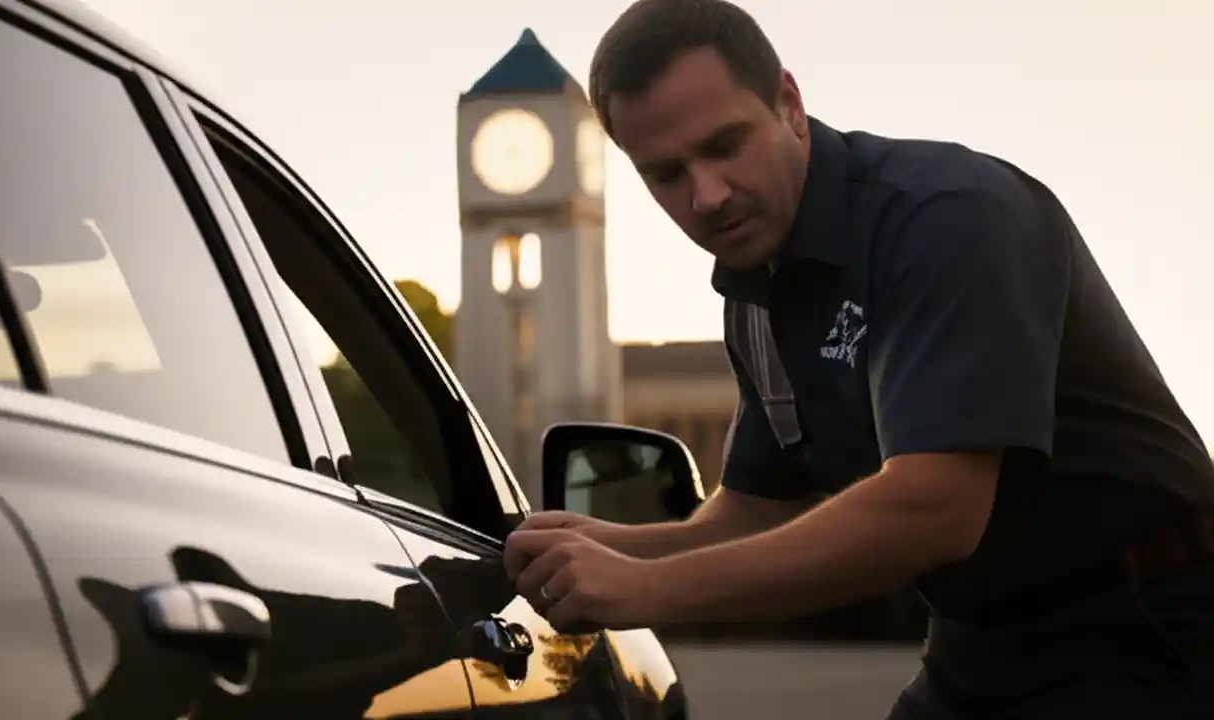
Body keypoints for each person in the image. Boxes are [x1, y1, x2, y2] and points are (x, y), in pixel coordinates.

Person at [501, 0, 1214, 716]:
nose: (707, 195)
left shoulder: (947, 218)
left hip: (1149, 625)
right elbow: (757, 509)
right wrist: (615, 548)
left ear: (789, 103)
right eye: (666, 174)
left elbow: (935, 507)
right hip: (980, 637)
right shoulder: (757, 291)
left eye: (725, 146)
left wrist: (646, 591)